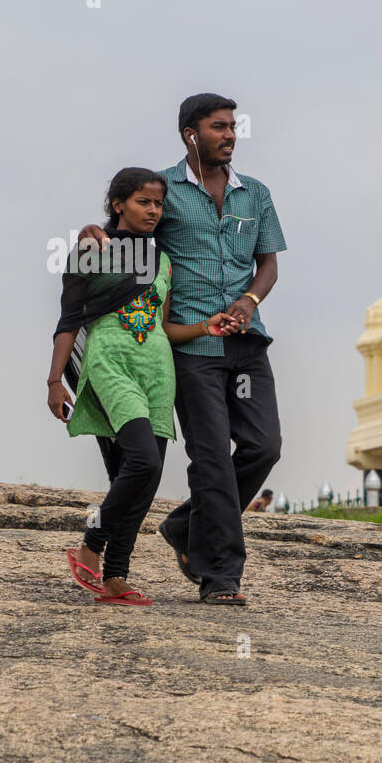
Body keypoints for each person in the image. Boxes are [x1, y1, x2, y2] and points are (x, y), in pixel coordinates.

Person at [78, 93, 286, 606]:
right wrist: (94, 233)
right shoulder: (164, 190)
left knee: (264, 447)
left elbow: (269, 264)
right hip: (191, 349)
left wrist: (249, 299)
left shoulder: (255, 194)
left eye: (233, 126)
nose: (231, 134)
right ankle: (221, 577)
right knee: (211, 458)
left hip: (246, 341)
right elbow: (130, 228)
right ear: (191, 134)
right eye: (219, 126)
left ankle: (184, 525)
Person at [49, 167, 239, 606]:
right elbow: (69, 320)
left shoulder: (162, 260)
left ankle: (115, 577)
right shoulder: (91, 251)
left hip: (157, 368)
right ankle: (91, 544)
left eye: (158, 204)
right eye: (142, 202)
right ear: (118, 204)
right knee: (144, 463)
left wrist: (205, 328)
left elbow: (164, 327)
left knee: (135, 479)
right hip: (110, 362)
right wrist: (55, 379)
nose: (153, 211)